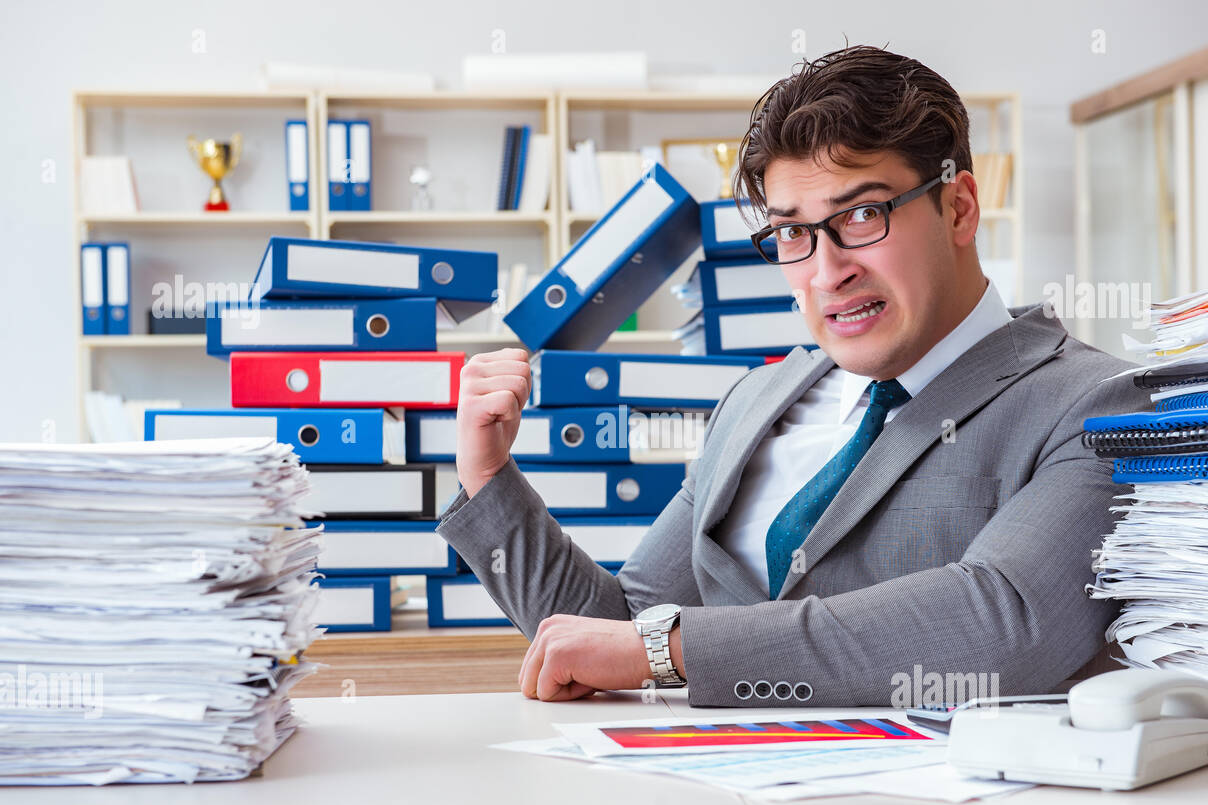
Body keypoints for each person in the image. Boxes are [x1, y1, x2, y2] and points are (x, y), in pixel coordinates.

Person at [433, 44, 1148, 706]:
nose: (829, 272)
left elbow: (1005, 623)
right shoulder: (757, 398)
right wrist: (488, 476)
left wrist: (678, 647)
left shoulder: (1098, 404)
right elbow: (620, 630)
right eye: (793, 234)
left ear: (958, 207)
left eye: (864, 214)